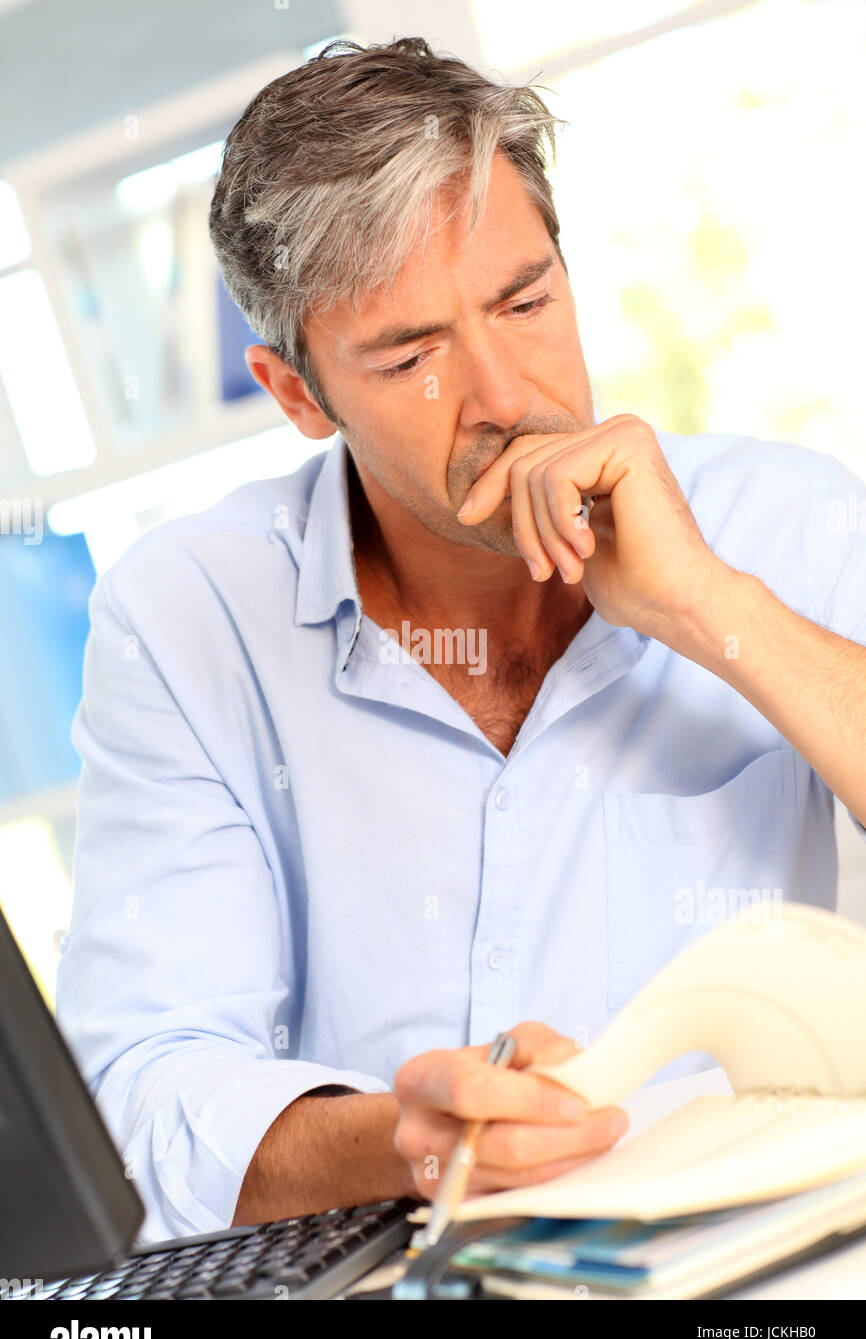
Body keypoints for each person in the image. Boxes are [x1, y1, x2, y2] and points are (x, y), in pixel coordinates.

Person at [56, 37, 866, 1243]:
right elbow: (146, 1084)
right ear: (295, 395)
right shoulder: (185, 618)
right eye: (411, 353)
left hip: (760, 1271)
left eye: (524, 300)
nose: (504, 395)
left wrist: (711, 610)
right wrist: (406, 1139)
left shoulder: (785, 521)